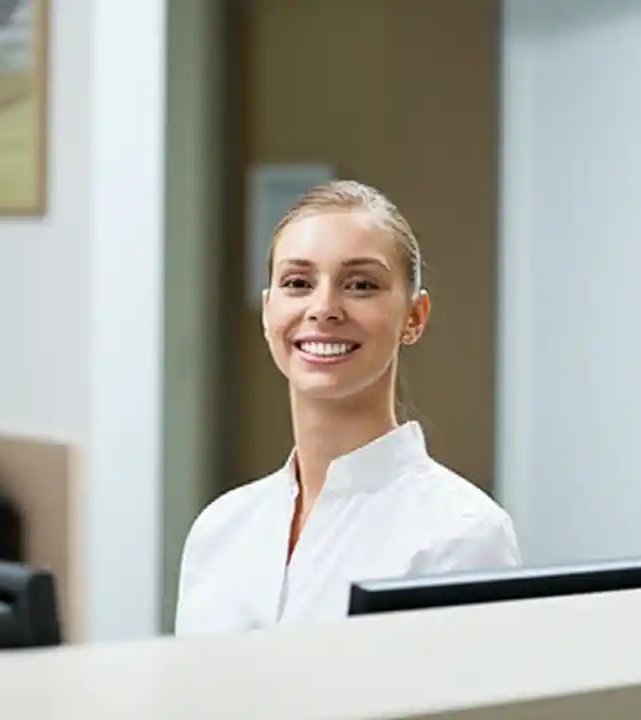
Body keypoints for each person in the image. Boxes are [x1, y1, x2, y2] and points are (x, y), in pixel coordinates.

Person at [174, 180, 520, 636]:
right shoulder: (219, 529)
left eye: (360, 285)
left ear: (414, 317)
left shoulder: (463, 535)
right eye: (298, 283)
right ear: (267, 311)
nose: (323, 308)